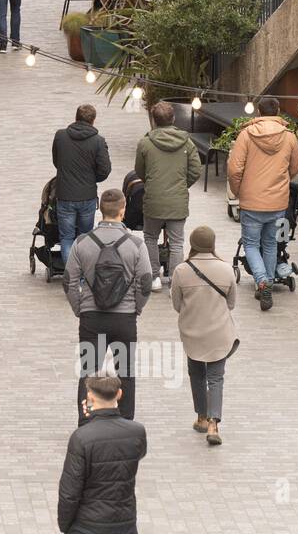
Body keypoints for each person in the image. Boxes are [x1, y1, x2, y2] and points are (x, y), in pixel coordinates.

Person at [65, 189, 151, 425]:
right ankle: (125, 421)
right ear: (123, 211)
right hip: (124, 320)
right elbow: (145, 282)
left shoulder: (82, 243)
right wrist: (135, 308)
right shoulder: (135, 244)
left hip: (92, 319)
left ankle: (86, 421)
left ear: (100, 210)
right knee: (126, 372)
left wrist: (79, 308)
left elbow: (69, 281)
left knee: (88, 372)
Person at [227, 96, 298, 311]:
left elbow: (235, 169)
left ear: (258, 112)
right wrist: (282, 181)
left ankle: (262, 281)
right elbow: (295, 167)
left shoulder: (246, 135)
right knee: (270, 243)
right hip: (278, 201)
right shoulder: (289, 137)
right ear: (278, 111)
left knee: (250, 244)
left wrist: (238, 190)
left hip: (252, 201)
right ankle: (266, 281)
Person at [170, 226, 239, 445]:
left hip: (193, 332)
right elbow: (231, 303)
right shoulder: (226, 269)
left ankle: (201, 416)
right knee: (216, 378)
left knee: (196, 373)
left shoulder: (182, 270)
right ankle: (213, 424)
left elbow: (176, 304)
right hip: (219, 333)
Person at [57, 373, 147, 534]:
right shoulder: (137, 432)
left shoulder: (81, 438)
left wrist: (65, 526)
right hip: (124, 524)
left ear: (90, 396)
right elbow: (137, 454)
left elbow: (69, 493)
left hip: (87, 526)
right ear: (119, 394)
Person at [133, 101, 202, 292]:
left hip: (153, 199)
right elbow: (196, 169)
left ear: (153, 121)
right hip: (177, 201)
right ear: (173, 119)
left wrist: (152, 183)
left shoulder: (146, 143)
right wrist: (182, 184)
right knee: (177, 242)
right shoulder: (186, 142)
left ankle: (154, 277)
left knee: (150, 237)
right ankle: (174, 281)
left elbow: (140, 170)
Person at [53, 104, 112, 258]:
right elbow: (105, 170)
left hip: (65, 195)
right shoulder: (98, 141)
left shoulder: (60, 136)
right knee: (85, 237)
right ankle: (82, 274)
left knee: (66, 238)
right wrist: (92, 179)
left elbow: (56, 161)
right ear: (93, 120)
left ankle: (72, 277)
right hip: (87, 196)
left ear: (76, 117)